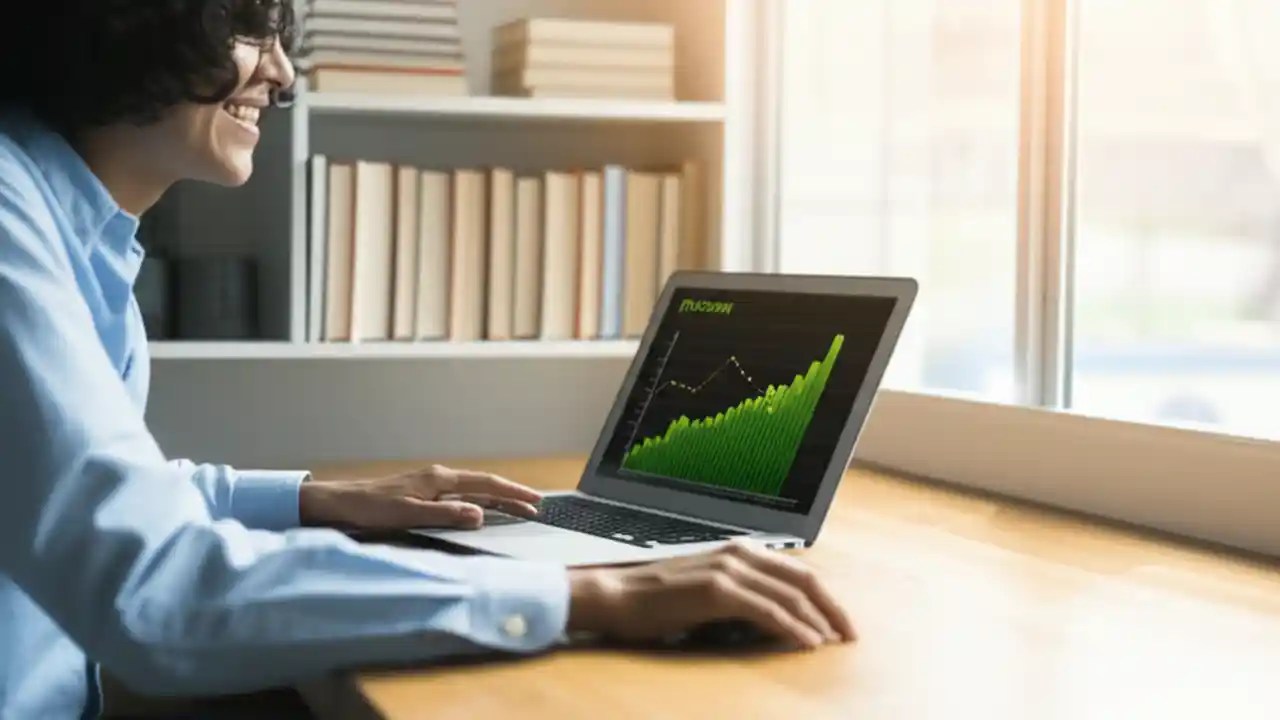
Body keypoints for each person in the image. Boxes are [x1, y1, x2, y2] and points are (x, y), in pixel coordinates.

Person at [0, 2, 855, 717]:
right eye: (247, 30)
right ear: (127, 23)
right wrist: (597, 596)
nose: (283, 74)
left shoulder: (76, 233)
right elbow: (156, 588)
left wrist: (314, 499)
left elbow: (74, 494)